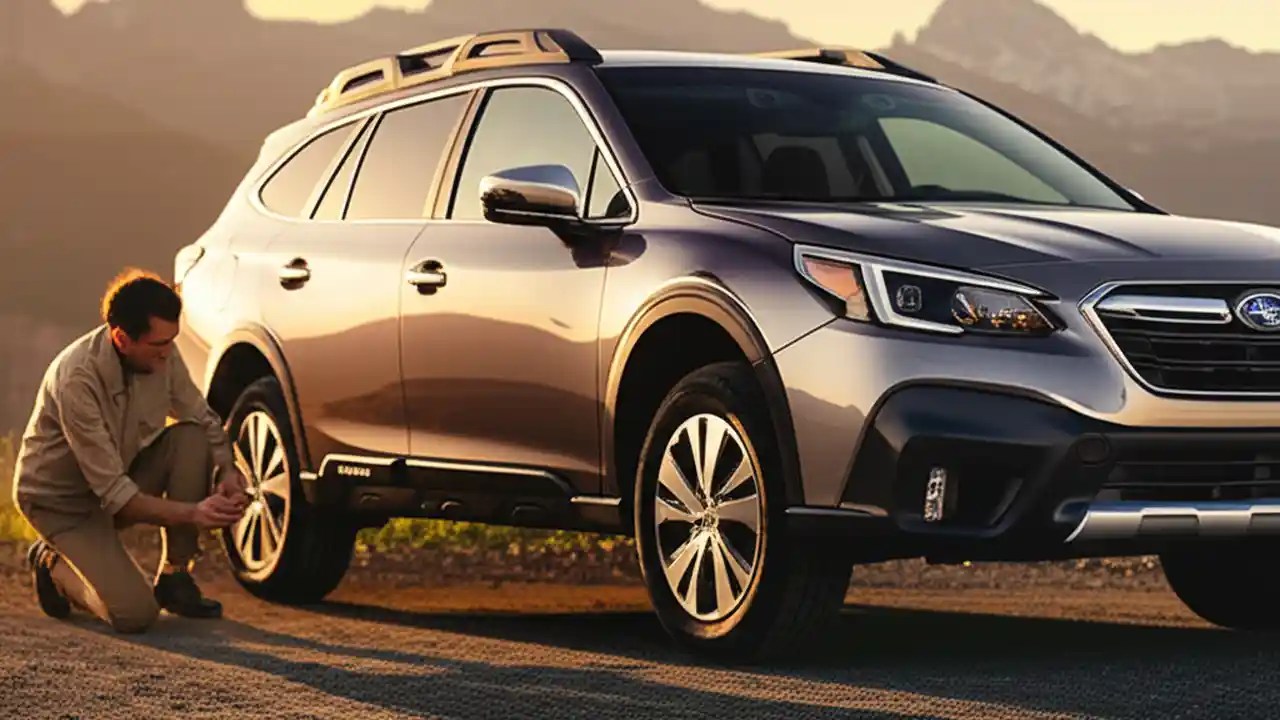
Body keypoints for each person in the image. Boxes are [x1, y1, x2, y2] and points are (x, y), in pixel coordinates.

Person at [11, 268, 250, 633]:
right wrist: (194, 513)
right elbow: (115, 494)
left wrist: (228, 473)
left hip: (117, 481)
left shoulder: (161, 355)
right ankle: (51, 564)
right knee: (135, 615)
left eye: (172, 340)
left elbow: (202, 419)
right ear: (122, 338)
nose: (169, 352)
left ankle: (175, 576)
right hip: (63, 504)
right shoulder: (77, 380)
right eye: (159, 345)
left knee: (192, 438)